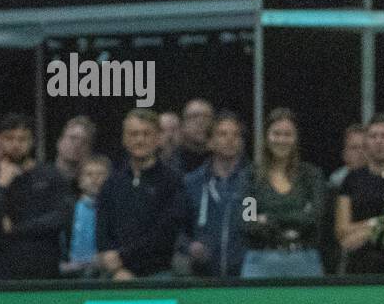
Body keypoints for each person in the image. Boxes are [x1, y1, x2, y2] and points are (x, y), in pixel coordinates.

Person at [0, 114, 73, 280]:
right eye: (10, 138)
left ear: (32, 142)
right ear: (1, 141)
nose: (16, 144)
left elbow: (61, 218)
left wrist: (16, 229)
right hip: (3, 272)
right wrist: (2, 187)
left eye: (22, 139)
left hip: (44, 270)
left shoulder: (50, 175)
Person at [96, 109, 187, 279]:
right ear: (124, 138)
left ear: (158, 138)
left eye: (146, 134)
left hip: (157, 274)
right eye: (133, 134)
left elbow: (165, 232)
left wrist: (122, 258)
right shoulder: (112, 183)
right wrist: (114, 266)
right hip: (114, 276)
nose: (140, 140)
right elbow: (102, 228)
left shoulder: (172, 181)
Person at [241, 108, 326, 278]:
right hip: (260, 262)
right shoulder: (250, 176)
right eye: (276, 133)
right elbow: (248, 222)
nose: (282, 139)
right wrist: (297, 217)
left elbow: (315, 218)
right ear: (266, 137)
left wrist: (268, 219)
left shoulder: (312, 176)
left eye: (288, 134)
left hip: (304, 260)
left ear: (296, 139)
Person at [335, 114, 384, 274]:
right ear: (366, 141)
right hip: (359, 264)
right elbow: (341, 230)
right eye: (373, 136)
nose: (378, 141)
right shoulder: (352, 178)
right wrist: (374, 224)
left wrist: (368, 233)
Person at [183, 111, 250, 277]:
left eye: (236, 135)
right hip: (202, 277)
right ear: (210, 142)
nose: (229, 140)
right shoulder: (191, 183)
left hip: (245, 276)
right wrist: (189, 246)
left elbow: (253, 221)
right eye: (222, 134)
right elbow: (179, 228)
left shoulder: (253, 183)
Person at [62, 155, 111, 276]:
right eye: (89, 174)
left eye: (100, 174)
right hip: (71, 272)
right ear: (79, 180)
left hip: (105, 272)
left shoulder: (116, 208)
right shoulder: (68, 209)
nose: (95, 178)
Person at [170, 98, 214, 175]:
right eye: (194, 117)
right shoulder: (169, 163)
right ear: (183, 124)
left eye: (206, 117)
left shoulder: (222, 159)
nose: (200, 122)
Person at [53, 115, 97, 187]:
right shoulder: (41, 179)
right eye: (73, 138)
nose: (78, 145)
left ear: (89, 148)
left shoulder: (93, 186)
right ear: (59, 141)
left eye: (84, 141)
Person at [328, 124, 367, 189]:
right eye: (354, 148)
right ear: (344, 153)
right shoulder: (336, 181)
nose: (361, 152)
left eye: (365, 147)